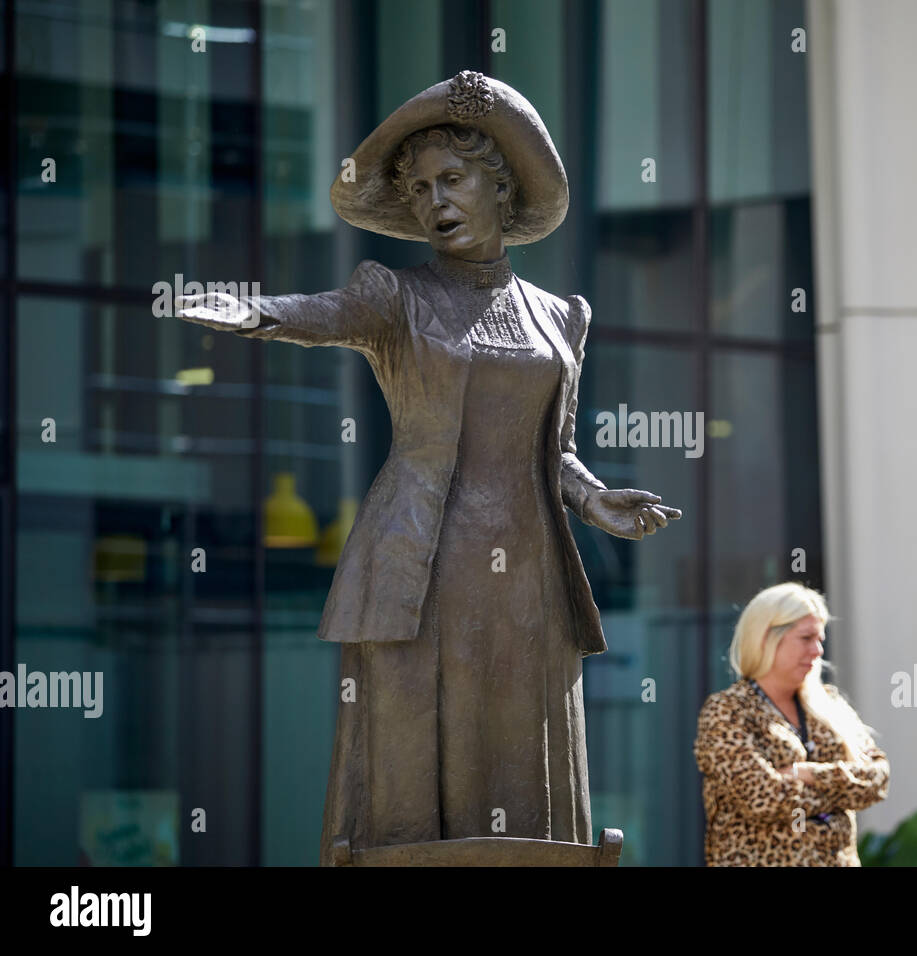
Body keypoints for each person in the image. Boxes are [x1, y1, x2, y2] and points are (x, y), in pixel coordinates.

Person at [171, 71, 681, 863]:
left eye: (452, 179)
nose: (434, 201)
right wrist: (261, 313)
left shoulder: (562, 317)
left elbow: (558, 450)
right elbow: (326, 314)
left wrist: (596, 500)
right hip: (422, 562)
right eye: (417, 190)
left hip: (529, 573)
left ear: (500, 186)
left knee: (520, 758)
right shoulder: (395, 298)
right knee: (411, 767)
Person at [693, 583, 889, 866]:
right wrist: (842, 790)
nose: (818, 650)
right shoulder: (727, 710)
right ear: (766, 639)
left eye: (820, 639)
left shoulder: (830, 703)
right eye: (806, 638)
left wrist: (806, 773)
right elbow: (763, 799)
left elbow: (878, 780)